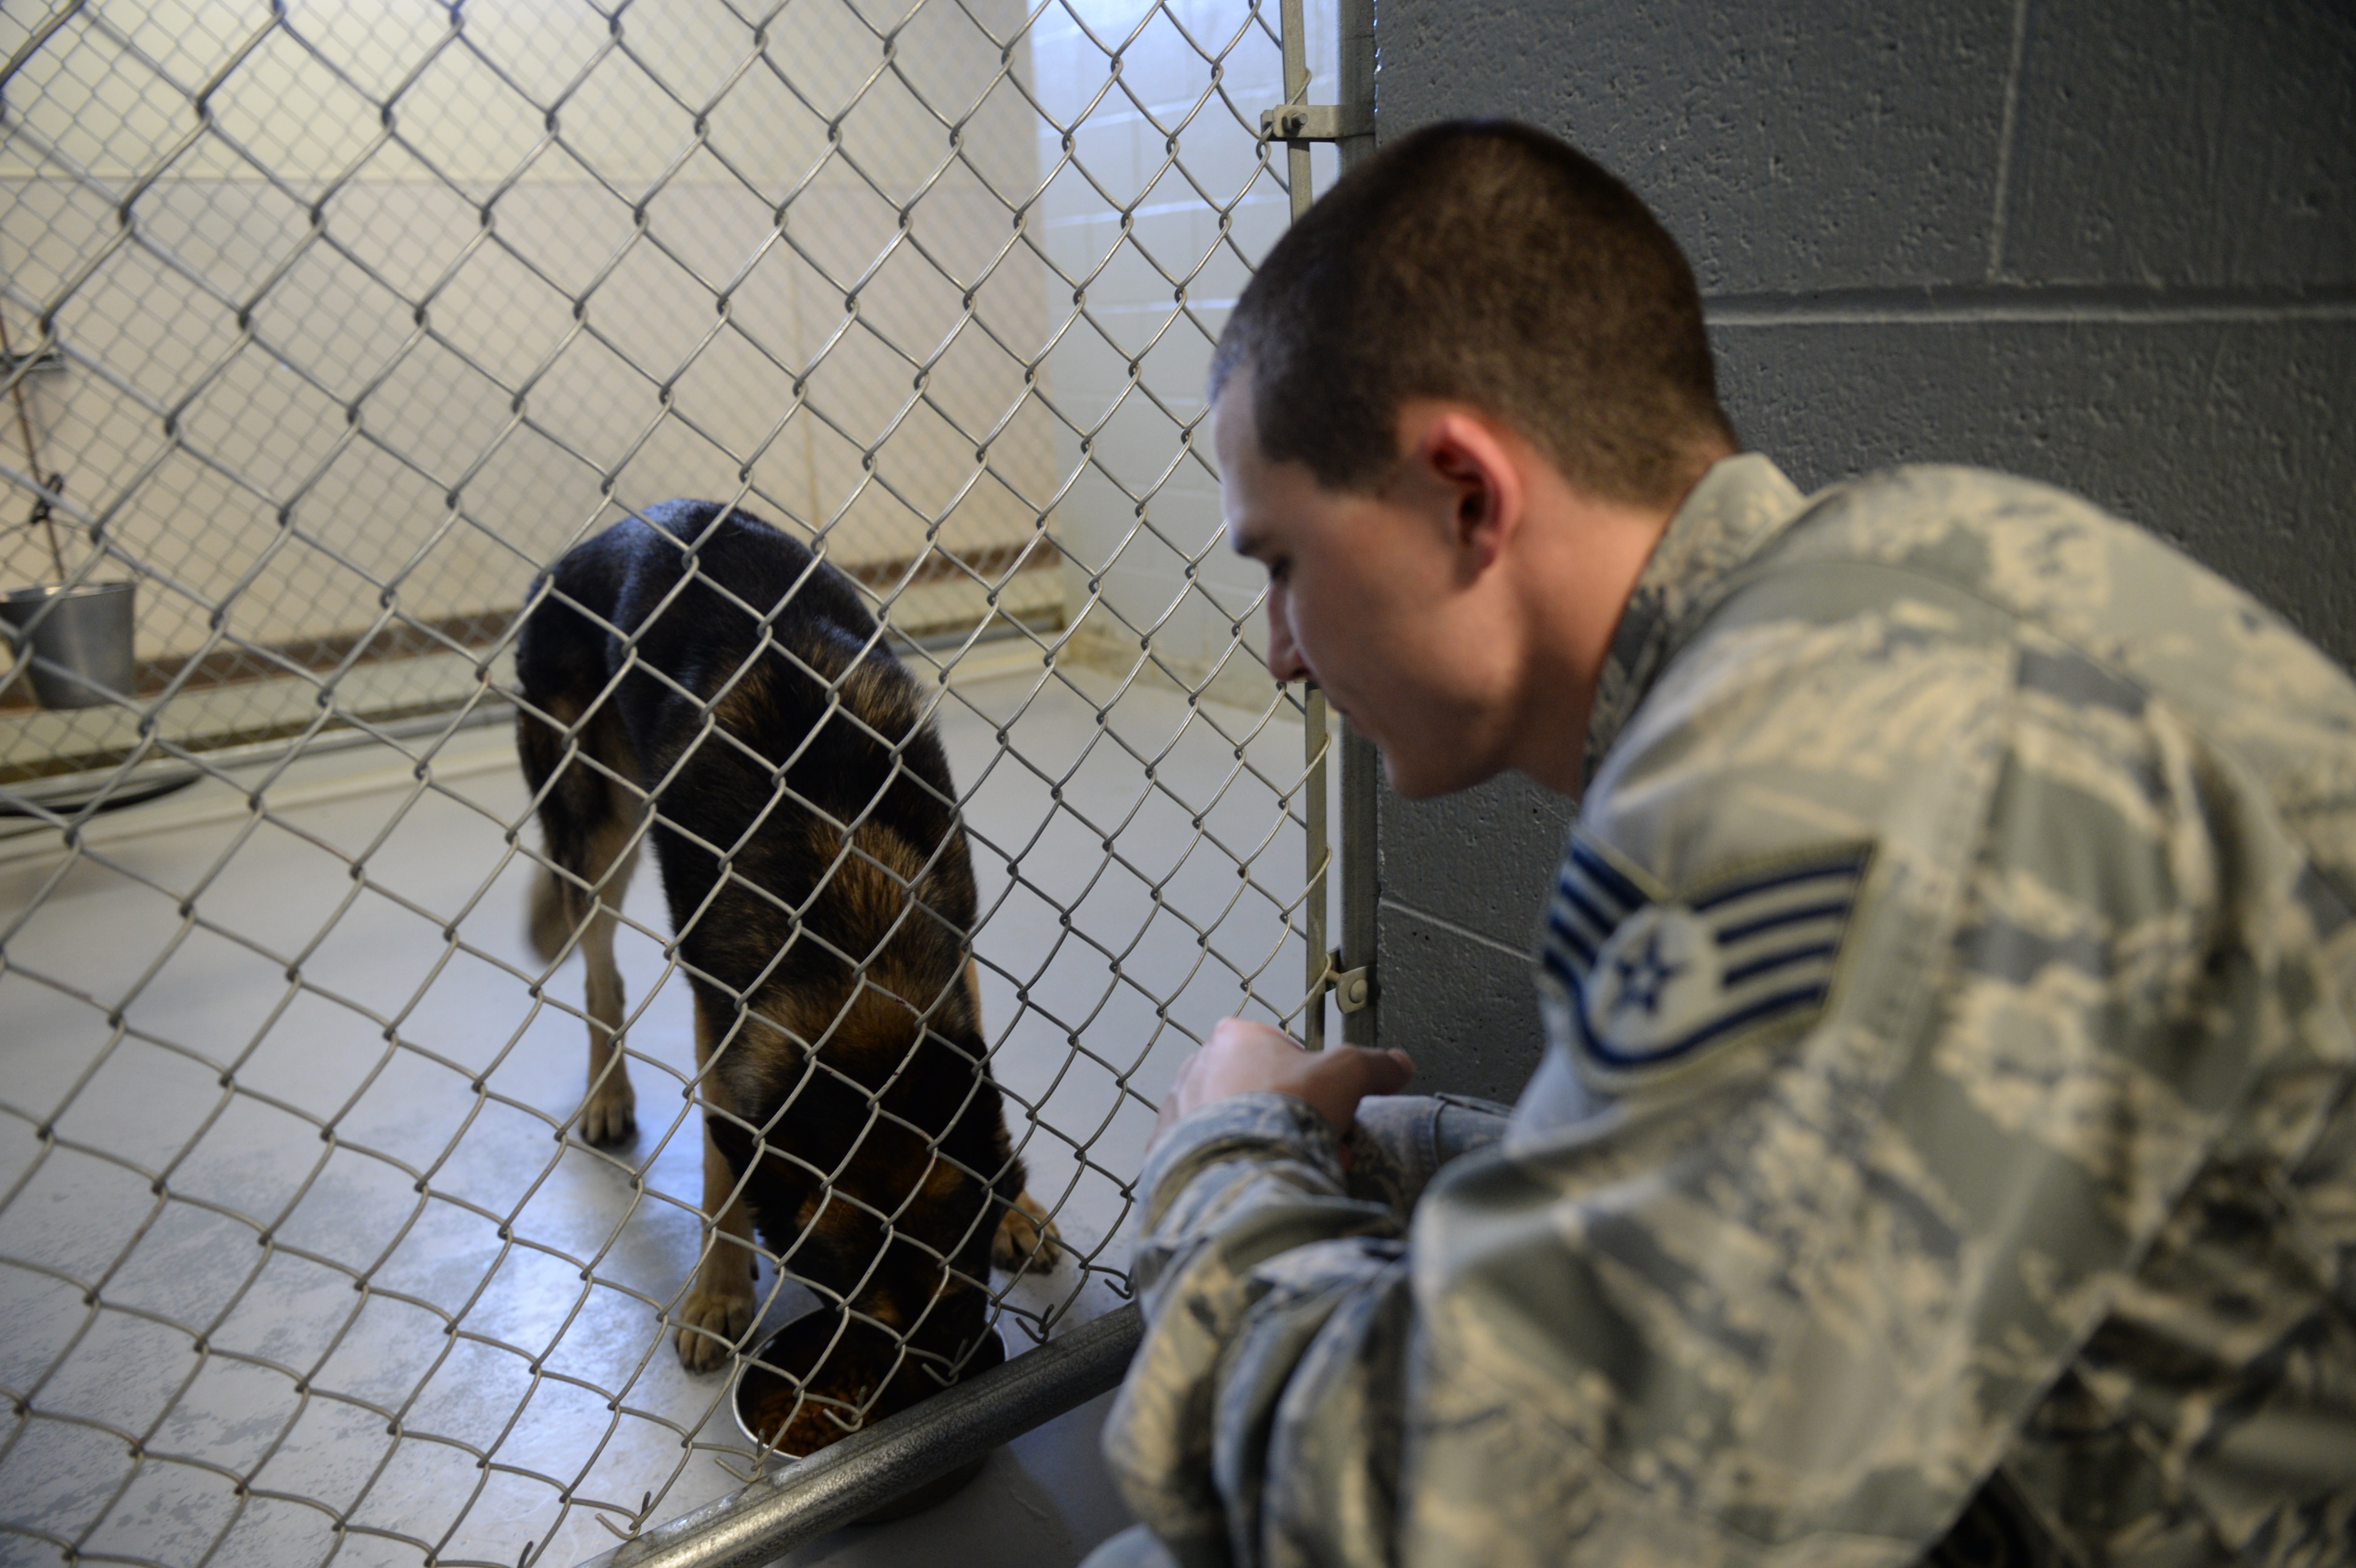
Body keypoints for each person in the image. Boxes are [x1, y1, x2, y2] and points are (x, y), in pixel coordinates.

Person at [1080, 119, 2356, 1568]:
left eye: (1283, 564)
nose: (1280, 653)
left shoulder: (1826, 766)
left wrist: (1225, 1157)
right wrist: (1416, 1160)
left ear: (1465, 495)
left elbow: (1468, 1527)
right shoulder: (1896, 571)